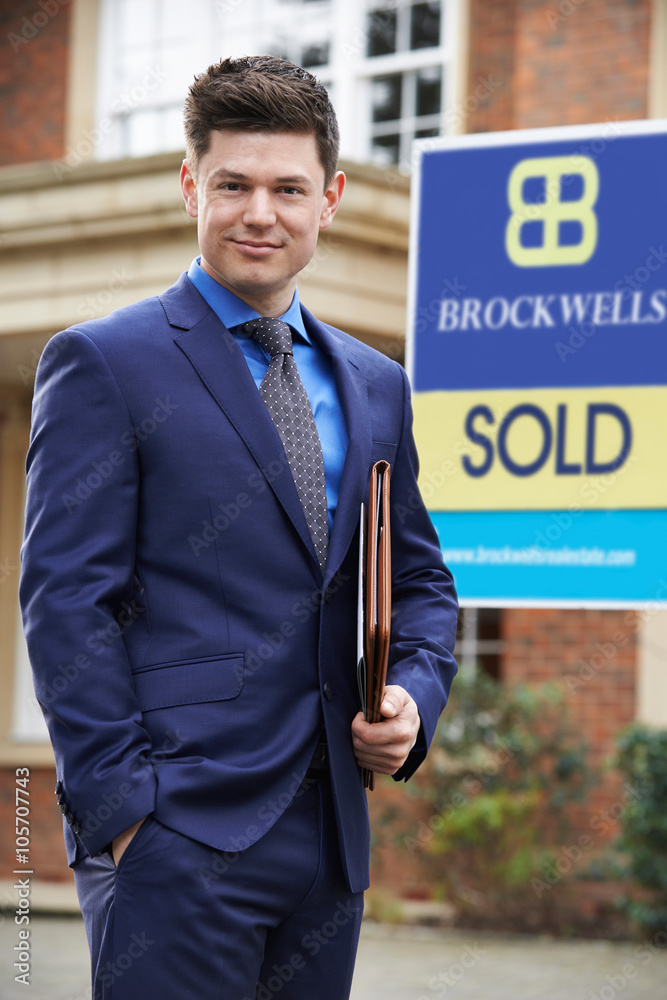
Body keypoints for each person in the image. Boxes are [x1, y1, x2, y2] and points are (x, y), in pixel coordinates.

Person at [19, 55, 458, 1000]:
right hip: (174, 836)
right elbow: (66, 603)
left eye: (288, 188)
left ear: (329, 199)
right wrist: (125, 813)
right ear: (192, 186)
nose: (261, 212)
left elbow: (419, 582)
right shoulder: (102, 362)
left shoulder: (377, 385)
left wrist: (414, 701)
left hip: (332, 838)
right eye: (234, 185)